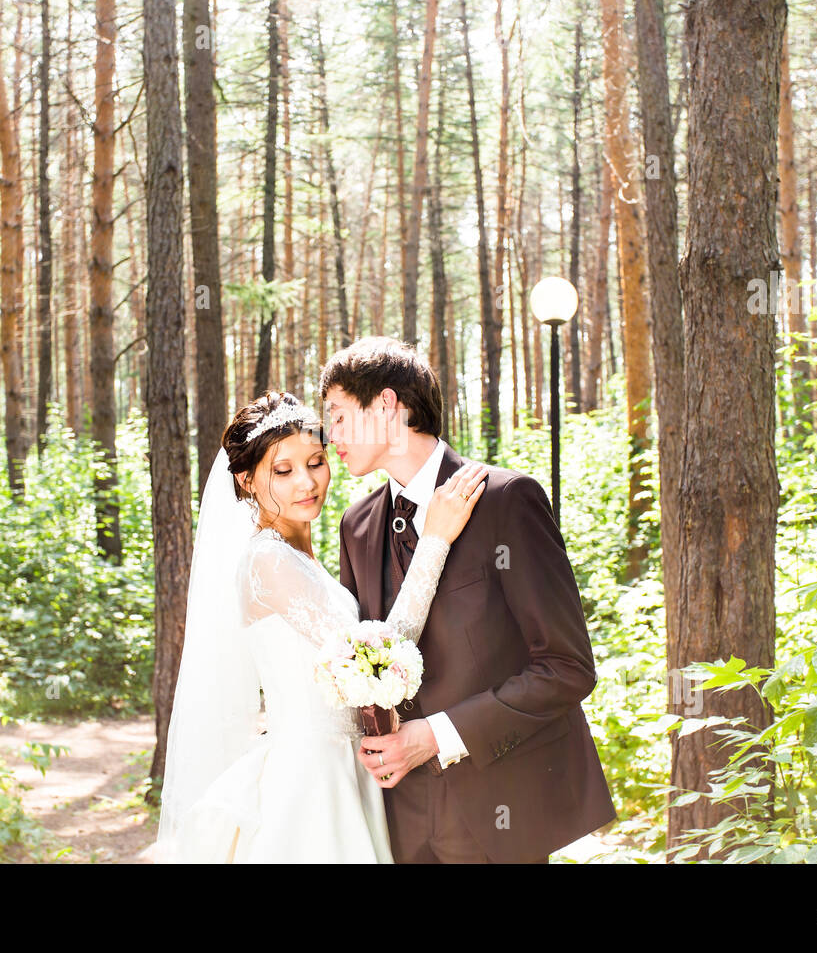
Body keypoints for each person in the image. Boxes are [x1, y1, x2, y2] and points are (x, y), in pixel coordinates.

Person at [151, 390, 487, 863]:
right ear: (246, 481)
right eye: (283, 471)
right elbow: (375, 663)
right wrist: (435, 539)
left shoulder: (301, 558)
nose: (307, 482)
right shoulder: (266, 559)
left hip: (347, 768)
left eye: (315, 461)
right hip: (310, 778)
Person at [321, 336, 617, 863]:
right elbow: (363, 664)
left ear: (388, 406)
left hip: (498, 813)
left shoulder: (507, 501)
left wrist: (435, 736)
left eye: (339, 415)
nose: (330, 435)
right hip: (397, 820)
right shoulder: (356, 525)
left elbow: (567, 667)